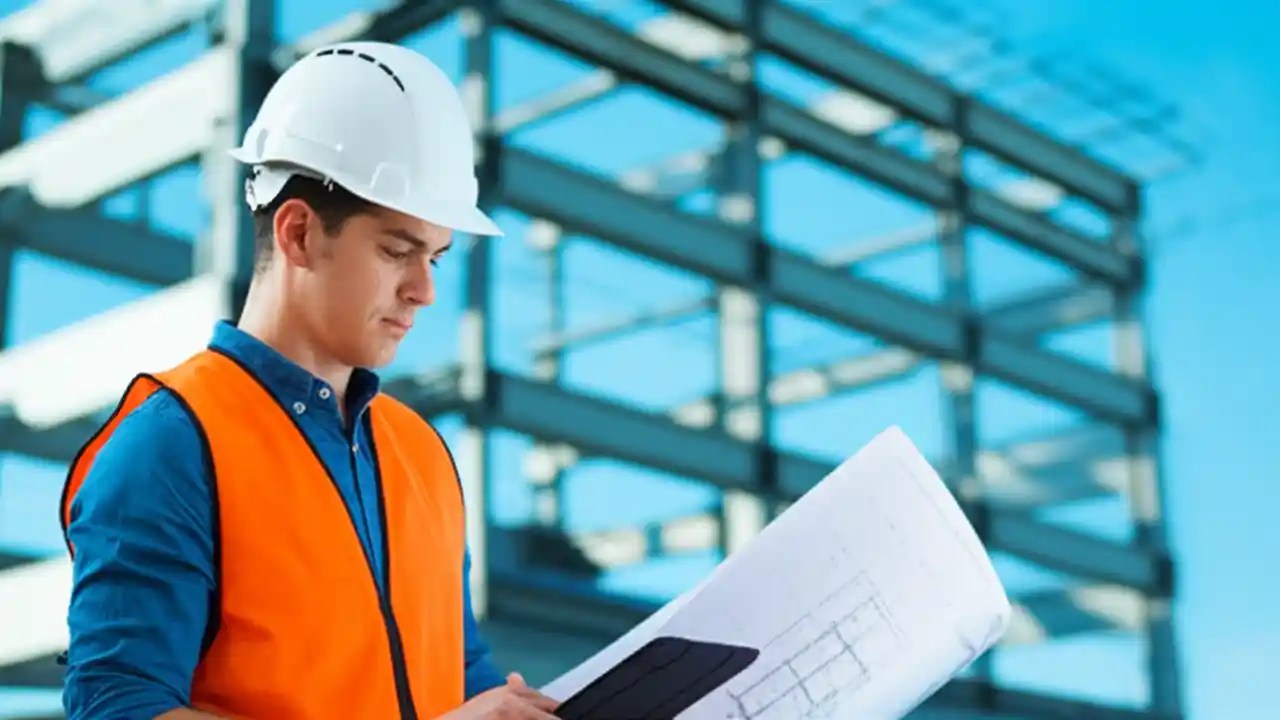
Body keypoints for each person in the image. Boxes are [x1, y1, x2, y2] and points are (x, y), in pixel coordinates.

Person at [58, 41, 560, 719]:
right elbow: (119, 708)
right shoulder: (172, 442)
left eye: (436, 258)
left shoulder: (423, 456)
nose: (423, 291)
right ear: (297, 234)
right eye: (396, 251)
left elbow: (460, 677)